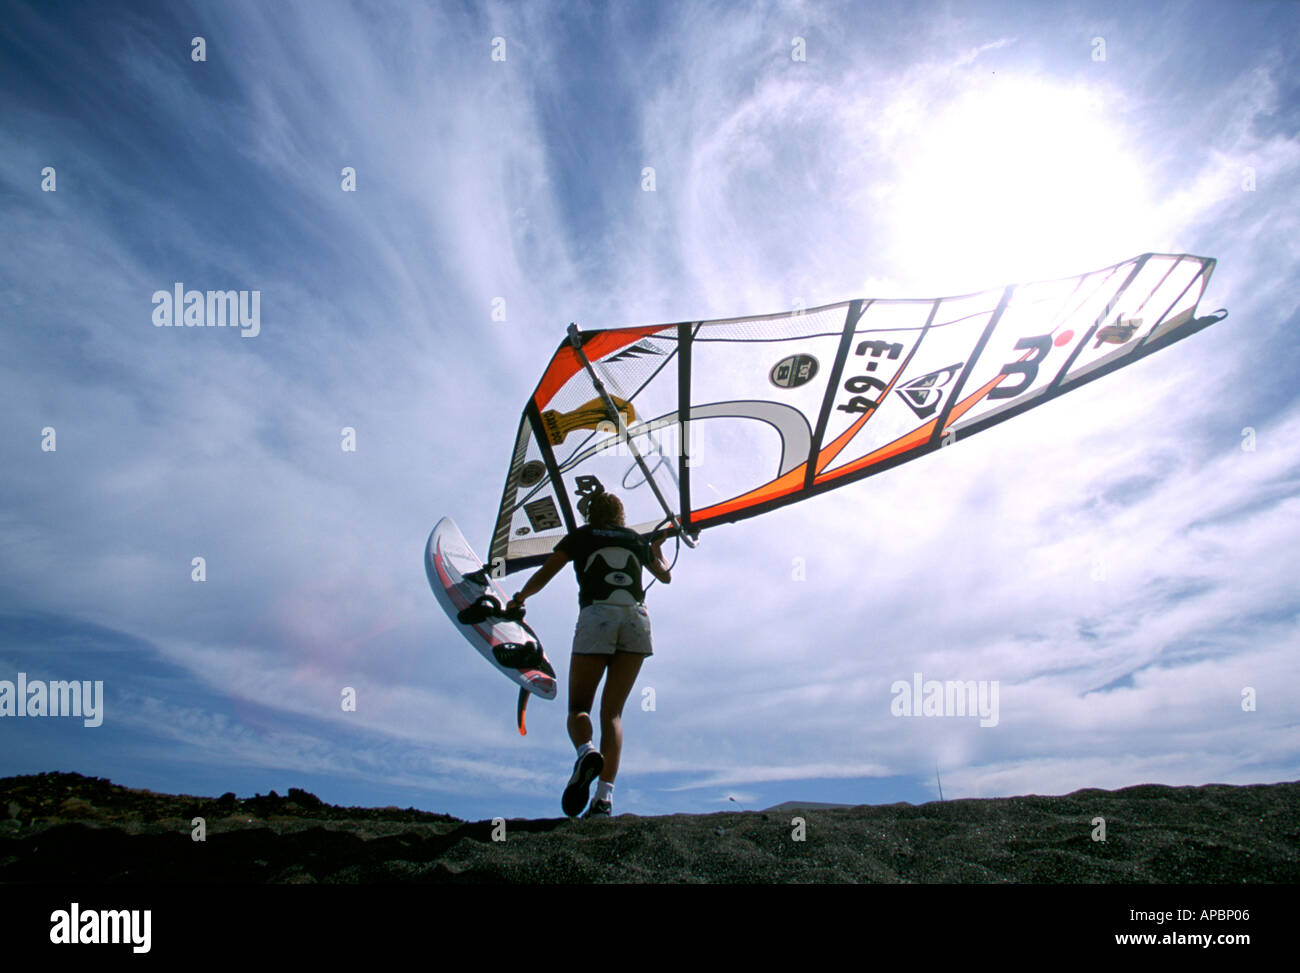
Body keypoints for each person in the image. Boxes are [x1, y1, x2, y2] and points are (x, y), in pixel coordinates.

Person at [506, 491, 672, 818]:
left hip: (598, 616)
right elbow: (665, 575)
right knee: (612, 714)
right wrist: (656, 549)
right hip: (637, 621)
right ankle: (604, 800)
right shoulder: (635, 539)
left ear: (590, 514)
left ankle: (586, 752)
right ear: (620, 514)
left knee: (579, 707)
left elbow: (546, 572)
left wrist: (519, 597)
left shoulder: (582, 536)